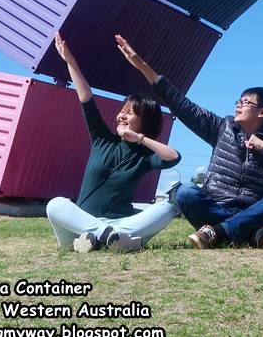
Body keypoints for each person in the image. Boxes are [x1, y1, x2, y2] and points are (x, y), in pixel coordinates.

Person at [115, 35, 263, 250]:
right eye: (238, 101)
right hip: (215, 209)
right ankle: (252, 234)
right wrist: (144, 67)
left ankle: (219, 233)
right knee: (185, 192)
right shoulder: (222, 128)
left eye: (245, 102)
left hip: (253, 210)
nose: (238, 105)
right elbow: (182, 105)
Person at [46, 32, 181, 253]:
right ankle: (110, 238)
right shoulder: (102, 138)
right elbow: (86, 97)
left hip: (119, 223)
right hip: (80, 225)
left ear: (145, 121)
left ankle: (103, 238)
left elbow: (173, 157)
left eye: (130, 113)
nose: (121, 116)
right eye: (122, 111)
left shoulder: (145, 156)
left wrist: (140, 139)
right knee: (56, 204)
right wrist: (70, 61)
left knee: (166, 208)